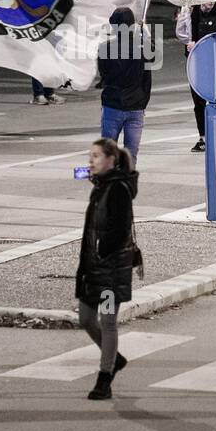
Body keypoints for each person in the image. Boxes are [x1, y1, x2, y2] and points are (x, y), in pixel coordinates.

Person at [76, 137, 139, 401]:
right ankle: (115, 358)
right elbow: (81, 173)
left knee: (107, 322)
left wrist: (103, 250)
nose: (90, 161)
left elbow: (120, 229)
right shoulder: (101, 185)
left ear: (111, 160)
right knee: (85, 320)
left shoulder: (119, 189)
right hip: (92, 266)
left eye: (96, 156)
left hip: (111, 268)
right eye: (90, 156)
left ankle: (105, 378)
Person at [98, 7, 152, 164]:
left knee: (108, 153)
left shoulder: (105, 48)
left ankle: (108, 184)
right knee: (131, 154)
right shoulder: (142, 48)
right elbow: (146, 78)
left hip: (113, 104)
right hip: (136, 106)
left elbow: (104, 76)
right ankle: (127, 185)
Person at [177, 1, 216, 152]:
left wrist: (198, 46)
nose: (209, 2)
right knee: (198, 104)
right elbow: (185, 37)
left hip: (213, 66)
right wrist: (184, 17)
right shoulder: (193, 14)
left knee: (215, 102)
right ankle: (203, 137)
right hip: (195, 66)